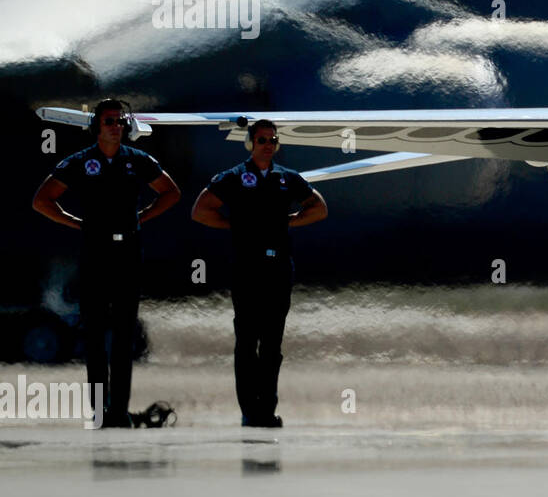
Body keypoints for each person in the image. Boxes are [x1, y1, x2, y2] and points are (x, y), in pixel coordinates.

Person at [32, 99, 181, 428]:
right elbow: (42, 200)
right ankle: (99, 410)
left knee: (124, 334)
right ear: (96, 127)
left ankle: (119, 411)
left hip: (128, 249)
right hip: (95, 250)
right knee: (95, 334)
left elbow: (171, 192)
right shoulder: (81, 162)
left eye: (120, 121)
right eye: (109, 121)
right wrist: (75, 222)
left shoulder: (137, 160)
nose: (116, 127)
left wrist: (143, 216)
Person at [191, 119, 327, 427]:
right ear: (251, 143)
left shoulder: (287, 178)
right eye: (262, 139)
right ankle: (249, 410)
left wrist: (289, 221)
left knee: (272, 344)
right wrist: (236, 226)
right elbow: (200, 211)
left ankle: (267, 409)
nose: (268, 145)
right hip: (247, 268)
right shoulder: (234, 177)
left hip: (278, 268)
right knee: (246, 341)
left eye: (272, 140)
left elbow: (319, 208)